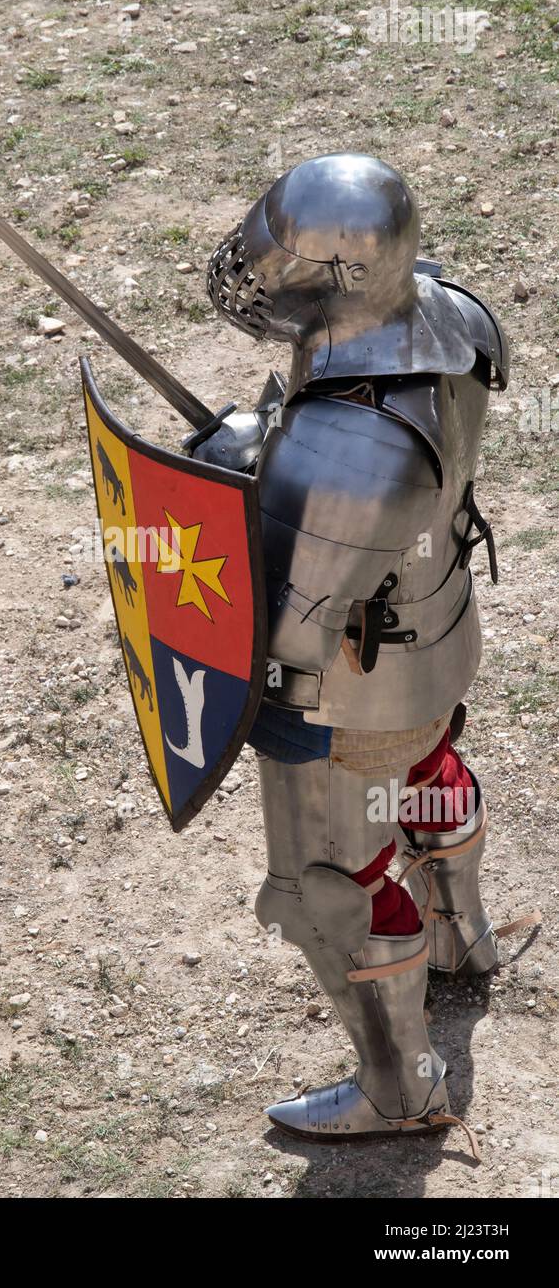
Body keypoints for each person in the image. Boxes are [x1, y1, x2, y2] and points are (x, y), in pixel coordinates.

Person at [195, 152, 535, 1148]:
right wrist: (266, 443)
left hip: (347, 692)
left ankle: (398, 1087)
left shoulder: (337, 455)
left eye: (288, 258)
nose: (263, 269)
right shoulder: (453, 317)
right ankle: (458, 937)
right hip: (434, 627)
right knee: (427, 768)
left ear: (343, 275)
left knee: (323, 889)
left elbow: (277, 637)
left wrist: (232, 476)